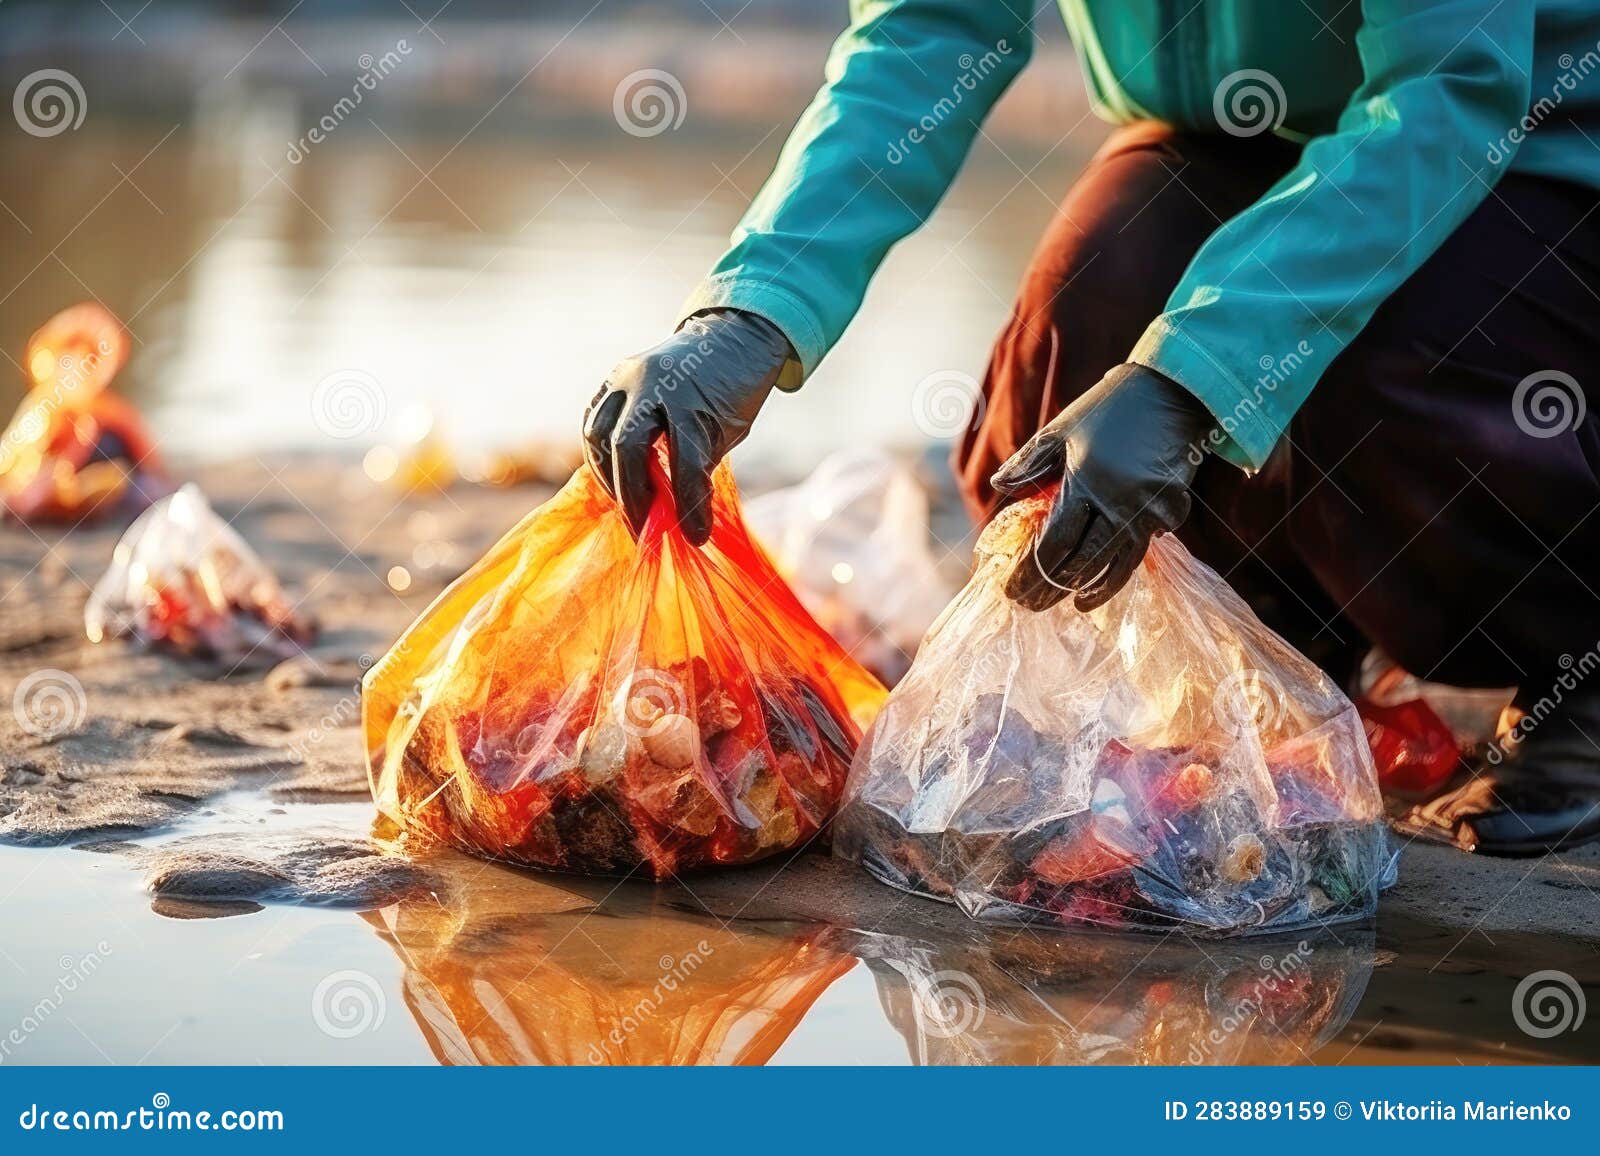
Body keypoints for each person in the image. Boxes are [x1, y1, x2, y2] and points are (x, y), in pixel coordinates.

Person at [581, 1, 1600, 856]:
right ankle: (1290, 630)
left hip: (1533, 145)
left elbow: (1445, 94)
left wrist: (1186, 383)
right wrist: (749, 311)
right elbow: (925, 30)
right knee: (1086, 319)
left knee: (1392, 358)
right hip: (1223, 138)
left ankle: (1573, 669)